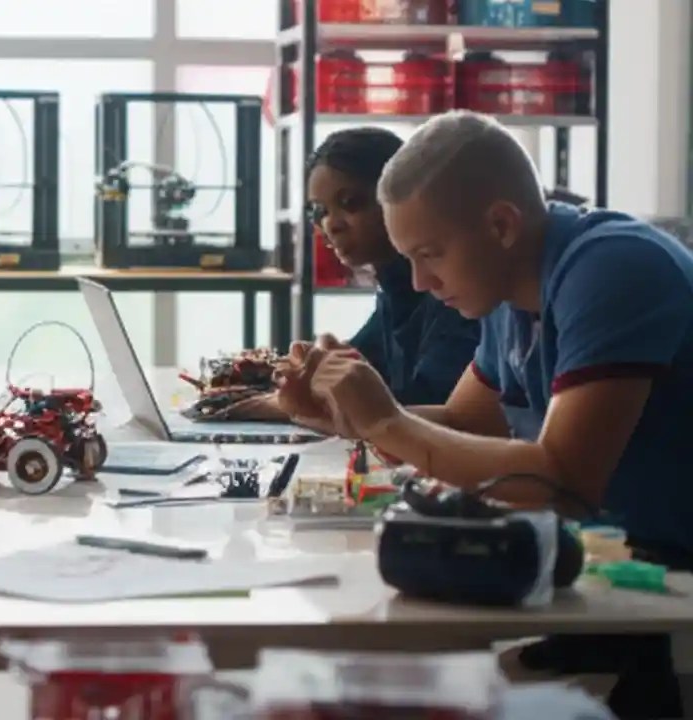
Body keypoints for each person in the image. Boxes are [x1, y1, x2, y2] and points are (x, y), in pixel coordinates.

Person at [275, 110, 692, 718]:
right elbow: (465, 424)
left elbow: (564, 484)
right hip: (622, 562)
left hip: (670, 574)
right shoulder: (507, 289)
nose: (419, 281)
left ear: (500, 225)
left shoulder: (613, 269)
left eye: (428, 254)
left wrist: (388, 423)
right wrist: (345, 416)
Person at [225, 128, 479, 421]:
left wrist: (290, 405)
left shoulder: (453, 294)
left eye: (350, 203)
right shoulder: (393, 291)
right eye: (319, 211)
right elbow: (354, 365)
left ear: (399, 197)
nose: (330, 224)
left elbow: (425, 404)